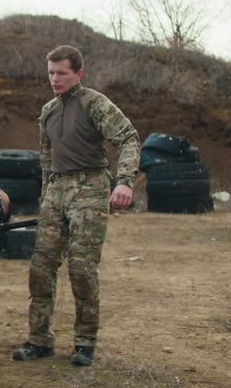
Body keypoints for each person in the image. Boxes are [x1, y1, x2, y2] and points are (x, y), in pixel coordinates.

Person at [12, 45, 140, 367]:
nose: (55, 79)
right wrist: (45, 197)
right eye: (51, 73)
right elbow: (45, 157)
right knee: (40, 269)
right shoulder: (48, 111)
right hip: (56, 191)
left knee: (81, 269)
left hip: (90, 189)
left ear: (78, 74)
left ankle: (84, 343)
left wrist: (124, 180)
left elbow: (128, 138)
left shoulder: (95, 103)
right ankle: (39, 340)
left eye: (62, 73)